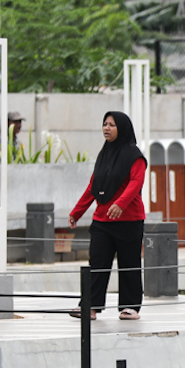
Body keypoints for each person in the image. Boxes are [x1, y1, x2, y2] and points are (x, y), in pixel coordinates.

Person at [68, 111, 146, 320]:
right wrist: (77, 212)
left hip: (129, 220)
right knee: (98, 263)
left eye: (111, 124)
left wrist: (121, 203)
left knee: (129, 263)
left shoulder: (135, 156)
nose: (106, 128)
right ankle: (90, 307)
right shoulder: (104, 155)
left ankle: (130, 307)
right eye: (104, 124)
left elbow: (136, 182)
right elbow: (94, 186)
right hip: (102, 220)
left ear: (122, 128)